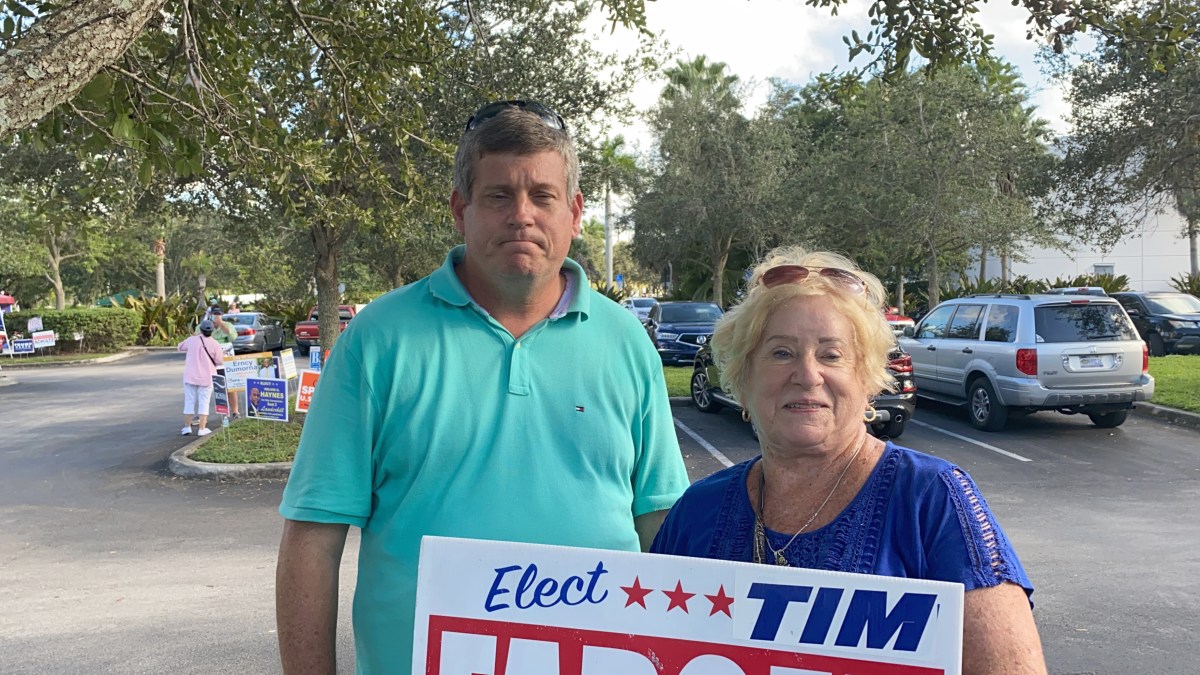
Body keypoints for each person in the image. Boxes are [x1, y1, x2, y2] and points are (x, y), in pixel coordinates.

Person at [275, 100, 689, 673]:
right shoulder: (379, 339)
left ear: (574, 213)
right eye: (498, 196)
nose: (522, 215)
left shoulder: (626, 342)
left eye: (542, 196)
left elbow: (660, 524)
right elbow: (313, 537)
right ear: (459, 209)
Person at [650, 246, 1047, 675]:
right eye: (781, 352)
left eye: (831, 354)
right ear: (744, 380)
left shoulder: (932, 500)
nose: (806, 374)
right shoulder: (698, 510)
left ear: (868, 378)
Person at [176, 319, 223, 437]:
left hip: (190, 376)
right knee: (204, 402)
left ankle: (187, 427)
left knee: (189, 401)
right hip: (207, 377)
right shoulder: (215, 344)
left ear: (200, 330)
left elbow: (180, 347)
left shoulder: (192, 340)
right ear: (212, 331)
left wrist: (192, 336)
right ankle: (202, 428)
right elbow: (219, 360)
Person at [208, 307, 241, 419]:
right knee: (213, 388)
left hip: (227, 360)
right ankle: (221, 413)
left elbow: (232, 337)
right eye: (214, 314)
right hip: (211, 361)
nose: (216, 316)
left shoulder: (228, 325)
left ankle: (235, 411)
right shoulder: (205, 325)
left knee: (230, 387)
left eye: (219, 314)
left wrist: (221, 323)